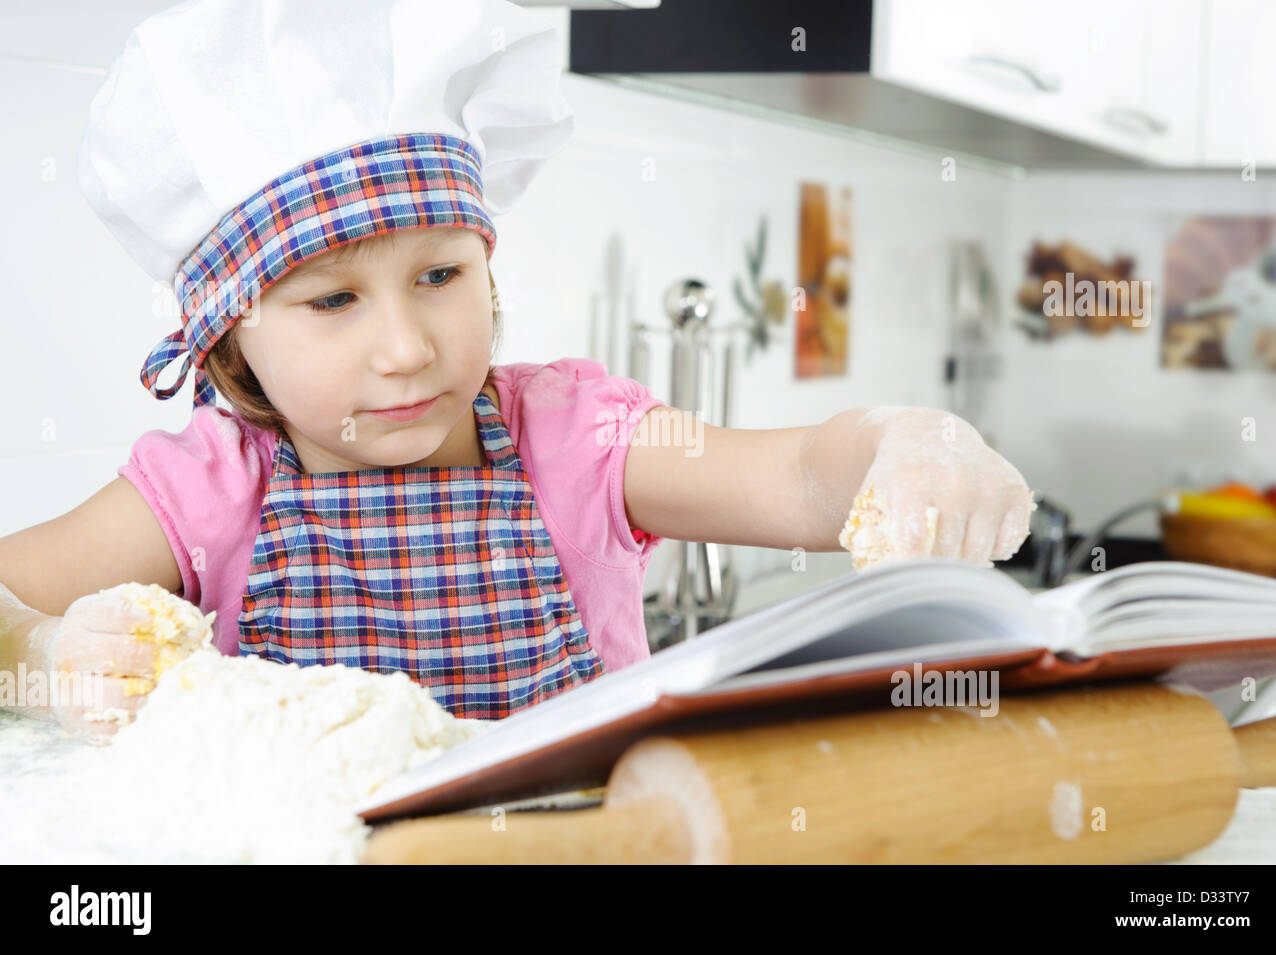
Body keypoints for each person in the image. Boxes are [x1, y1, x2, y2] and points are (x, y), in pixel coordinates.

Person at [0, 0, 1033, 737]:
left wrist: (909, 445)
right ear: (231, 337)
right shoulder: (208, 488)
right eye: (332, 300)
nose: (407, 348)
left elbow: (808, 475)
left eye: (440, 273)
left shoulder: (574, 440)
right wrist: (43, 658)